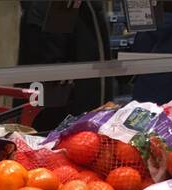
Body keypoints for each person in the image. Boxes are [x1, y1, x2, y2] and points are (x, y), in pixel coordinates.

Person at [18, 0, 114, 130]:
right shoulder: (61, 6)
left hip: (75, 109)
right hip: (63, 116)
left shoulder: (79, 6)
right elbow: (52, 66)